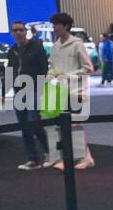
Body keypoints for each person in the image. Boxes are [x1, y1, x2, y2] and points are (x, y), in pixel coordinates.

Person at [46, 12, 95, 170]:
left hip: (76, 90)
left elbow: (88, 67)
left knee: (75, 125)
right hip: (59, 91)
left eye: (57, 24)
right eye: (53, 25)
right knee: (61, 126)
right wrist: (50, 76)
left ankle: (83, 158)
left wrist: (68, 75)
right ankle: (68, 158)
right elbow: (52, 66)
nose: (54, 28)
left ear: (66, 26)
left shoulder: (77, 44)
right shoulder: (55, 45)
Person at [6, 20, 51, 170]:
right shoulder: (12, 51)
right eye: (15, 30)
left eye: (20, 30)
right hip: (19, 91)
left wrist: (40, 86)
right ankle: (32, 159)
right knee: (24, 125)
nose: (18, 33)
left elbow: (44, 67)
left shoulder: (36, 46)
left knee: (34, 122)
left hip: (33, 89)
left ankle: (49, 152)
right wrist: (4, 92)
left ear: (26, 31)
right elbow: (10, 72)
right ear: (12, 33)